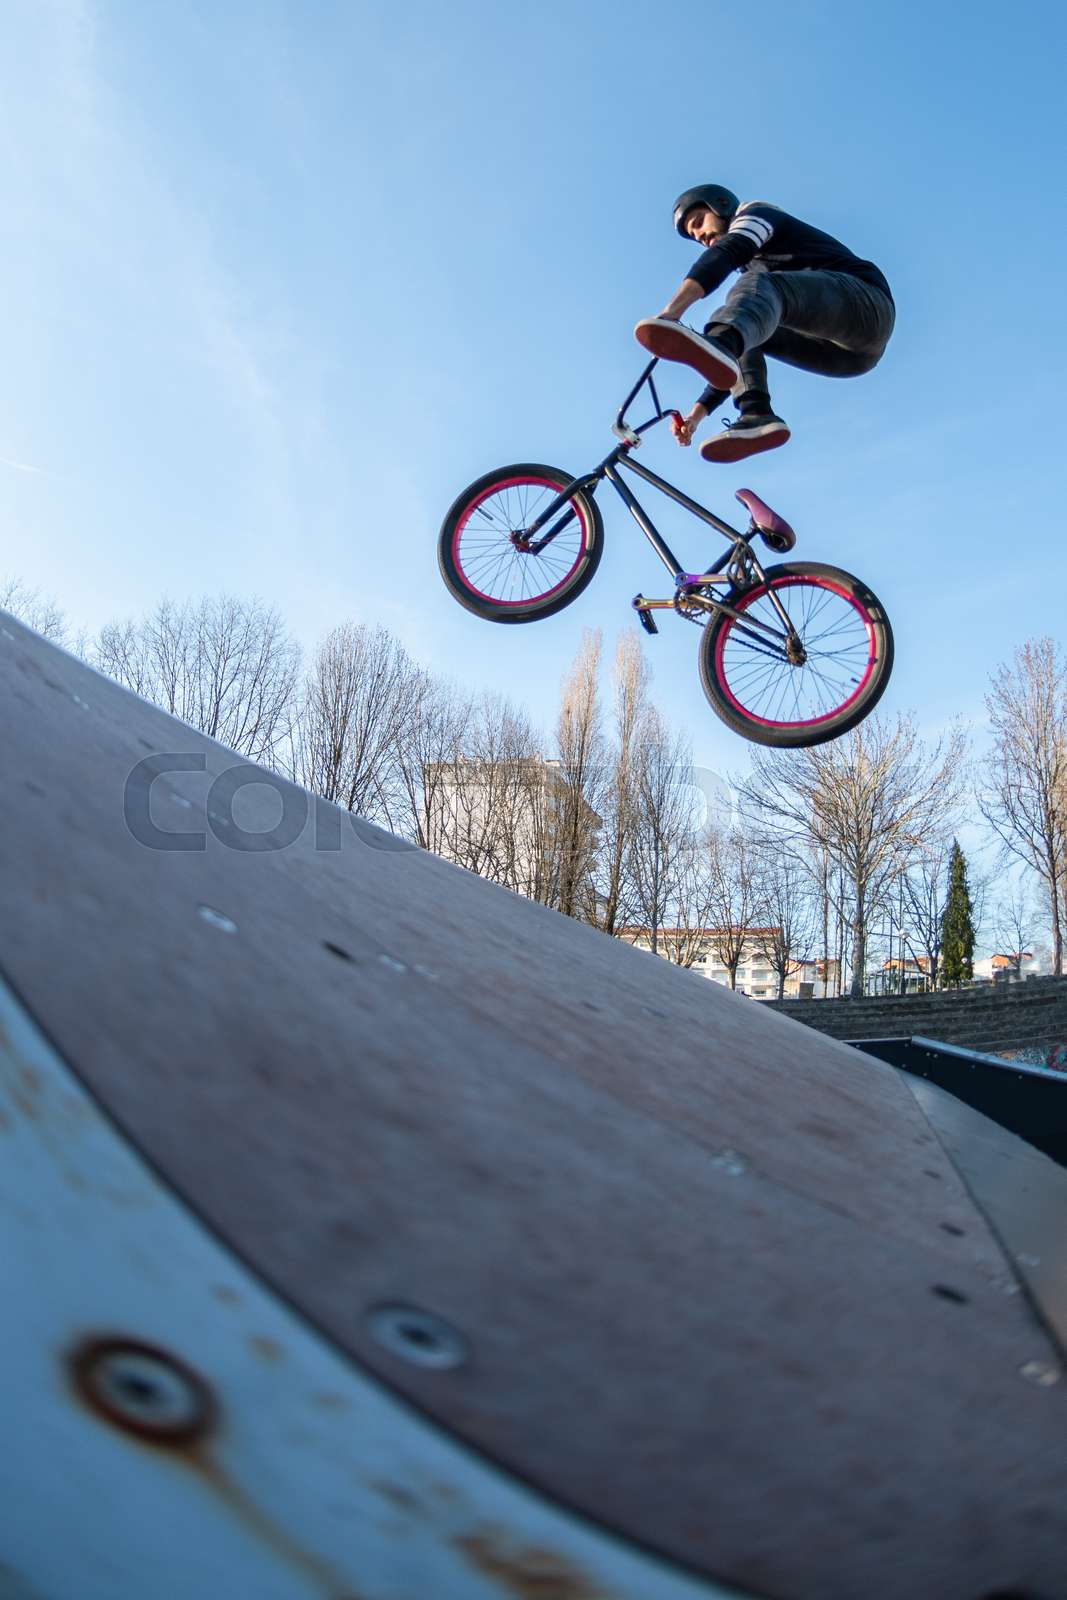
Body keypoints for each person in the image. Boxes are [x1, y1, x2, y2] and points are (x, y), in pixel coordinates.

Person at [634, 184, 894, 463]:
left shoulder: (758, 215)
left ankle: (723, 343)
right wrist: (696, 416)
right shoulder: (756, 276)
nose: (701, 236)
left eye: (699, 223)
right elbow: (723, 363)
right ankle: (756, 414)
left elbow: (728, 251)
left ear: (720, 205)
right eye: (695, 237)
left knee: (746, 304)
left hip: (866, 306)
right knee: (745, 327)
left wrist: (671, 312)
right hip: (849, 358)